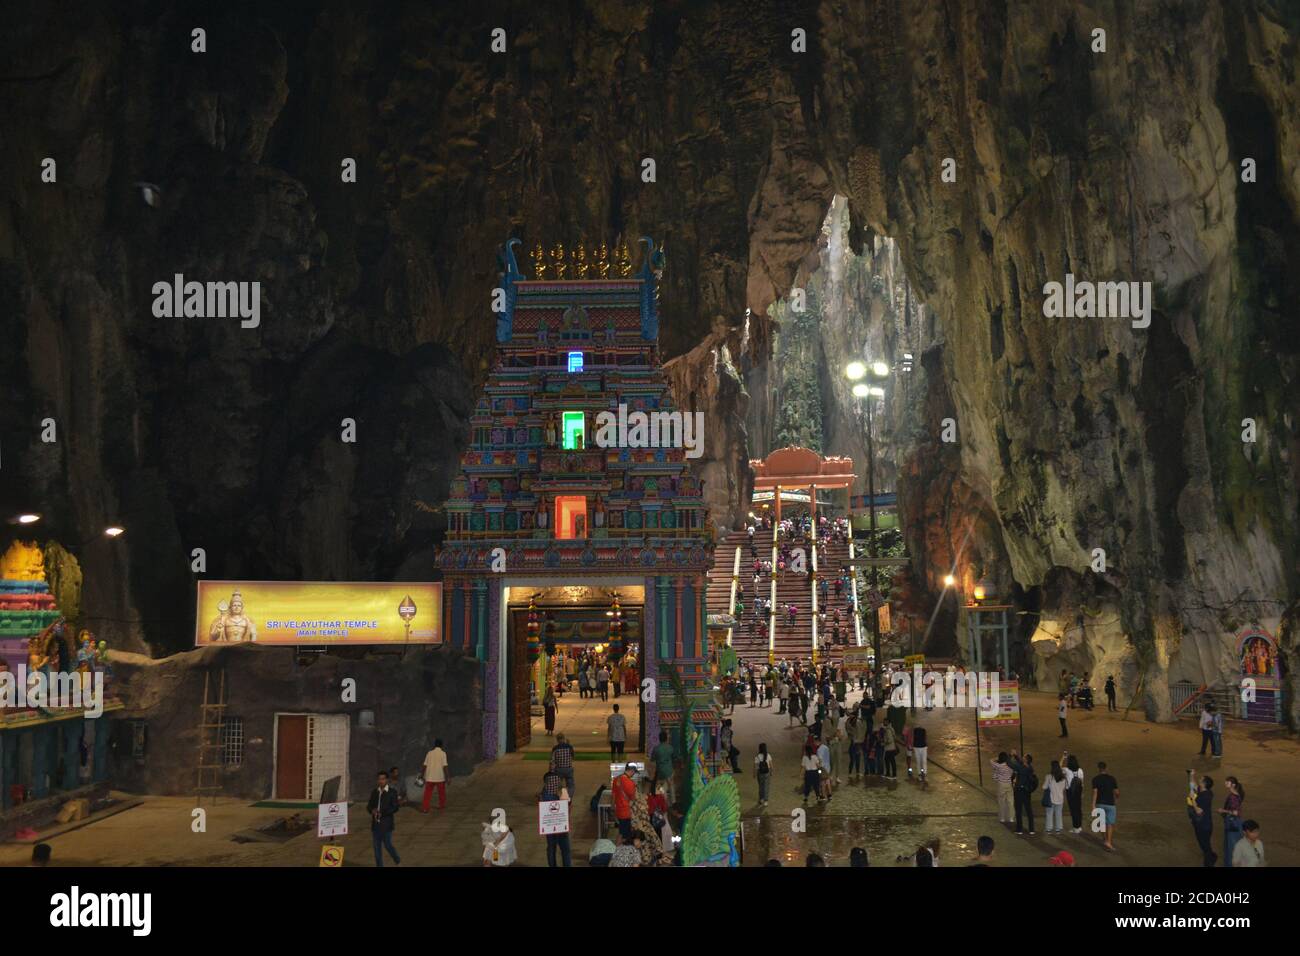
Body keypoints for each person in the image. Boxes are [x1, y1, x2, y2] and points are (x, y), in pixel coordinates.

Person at [367, 770, 401, 867]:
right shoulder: (375, 792)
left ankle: (397, 860)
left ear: (387, 780)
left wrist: (383, 813)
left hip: (386, 825)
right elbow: (369, 806)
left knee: (388, 845)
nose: (381, 781)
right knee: (377, 849)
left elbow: (395, 807)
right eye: (379, 779)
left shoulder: (392, 792)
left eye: (383, 779)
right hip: (376, 825)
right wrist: (372, 810)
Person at [1188, 774, 1217, 866]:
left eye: (1201, 779)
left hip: (1203, 826)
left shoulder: (1204, 797)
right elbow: (1194, 786)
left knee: (1204, 845)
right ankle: (1211, 855)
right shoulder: (1207, 792)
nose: (1199, 779)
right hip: (1203, 823)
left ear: (1204, 784)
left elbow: (1198, 811)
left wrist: (1193, 799)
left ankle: (1209, 862)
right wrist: (1191, 775)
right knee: (1205, 843)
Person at [1092, 761, 1119, 851]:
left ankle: (1104, 839)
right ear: (1106, 768)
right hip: (1111, 804)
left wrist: (1093, 805)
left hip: (1100, 804)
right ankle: (1108, 842)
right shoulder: (1112, 779)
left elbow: (1095, 792)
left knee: (1101, 824)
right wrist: (1116, 798)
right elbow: (1116, 792)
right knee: (1110, 824)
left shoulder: (1095, 779)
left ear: (1098, 768)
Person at [1218, 776, 1245, 867]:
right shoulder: (1235, 794)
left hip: (1233, 823)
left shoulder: (1233, 797)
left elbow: (1236, 812)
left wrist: (1223, 811)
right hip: (1234, 822)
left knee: (1231, 847)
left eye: (1227, 782)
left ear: (1233, 785)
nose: (1225, 783)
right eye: (1225, 781)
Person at [1008, 750, 1036, 835]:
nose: (1022, 758)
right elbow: (1021, 762)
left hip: (1019, 791)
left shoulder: (1021, 768)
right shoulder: (1030, 767)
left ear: (1026, 760)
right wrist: (1016, 756)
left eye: (1024, 757)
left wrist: (1009, 756)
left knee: (1018, 810)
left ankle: (1019, 829)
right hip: (1027, 791)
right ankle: (1031, 829)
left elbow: (1010, 764)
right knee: (1028, 810)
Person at [420, 738, 448, 812]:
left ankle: (425, 808)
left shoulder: (429, 753)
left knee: (427, 793)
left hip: (429, 777)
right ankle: (442, 805)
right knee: (441, 793)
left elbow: (424, 765)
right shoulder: (443, 753)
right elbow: (445, 766)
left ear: (434, 745)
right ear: (441, 745)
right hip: (439, 777)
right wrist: (448, 777)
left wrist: (421, 775)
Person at [612, 763, 638, 840]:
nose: (633, 774)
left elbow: (613, 794)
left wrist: (612, 806)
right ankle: (618, 850)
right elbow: (633, 798)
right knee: (623, 835)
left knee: (621, 831)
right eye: (634, 772)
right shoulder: (630, 783)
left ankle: (620, 849)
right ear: (632, 770)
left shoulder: (616, 779)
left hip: (618, 810)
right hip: (626, 812)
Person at [650, 730, 676, 804]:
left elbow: (652, 759)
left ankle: (664, 803)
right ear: (666, 738)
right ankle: (673, 803)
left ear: (659, 739)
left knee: (662, 788)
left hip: (660, 771)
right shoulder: (670, 748)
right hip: (669, 771)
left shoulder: (656, 748)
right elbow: (674, 757)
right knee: (671, 786)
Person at [1042, 760, 1068, 833]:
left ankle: (1048, 829)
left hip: (1051, 798)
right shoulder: (1063, 777)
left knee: (1049, 813)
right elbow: (1065, 788)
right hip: (1060, 798)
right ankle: (1058, 829)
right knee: (1058, 813)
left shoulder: (1049, 777)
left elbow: (1044, 787)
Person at [1063, 752, 1085, 832]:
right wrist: (1082, 792)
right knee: (1078, 809)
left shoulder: (1066, 770)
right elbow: (1082, 783)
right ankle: (1079, 826)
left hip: (1070, 792)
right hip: (1078, 791)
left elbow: (1058, 767)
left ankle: (1075, 827)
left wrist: (1063, 758)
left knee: (1073, 809)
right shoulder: (1080, 770)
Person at [551, 733, 576, 801]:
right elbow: (573, 756)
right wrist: (569, 744)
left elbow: (552, 760)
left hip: (559, 769)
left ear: (557, 740)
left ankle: (561, 797)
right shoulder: (569, 747)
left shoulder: (555, 748)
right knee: (571, 786)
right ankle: (569, 798)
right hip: (568, 769)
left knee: (558, 785)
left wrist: (551, 771)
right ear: (564, 738)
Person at [991, 752, 1014, 824]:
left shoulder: (999, 766)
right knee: (1010, 802)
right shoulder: (1011, 766)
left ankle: (1002, 818)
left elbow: (991, 760)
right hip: (1009, 784)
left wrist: (997, 758)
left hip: (1001, 784)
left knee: (1002, 802)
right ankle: (1011, 818)